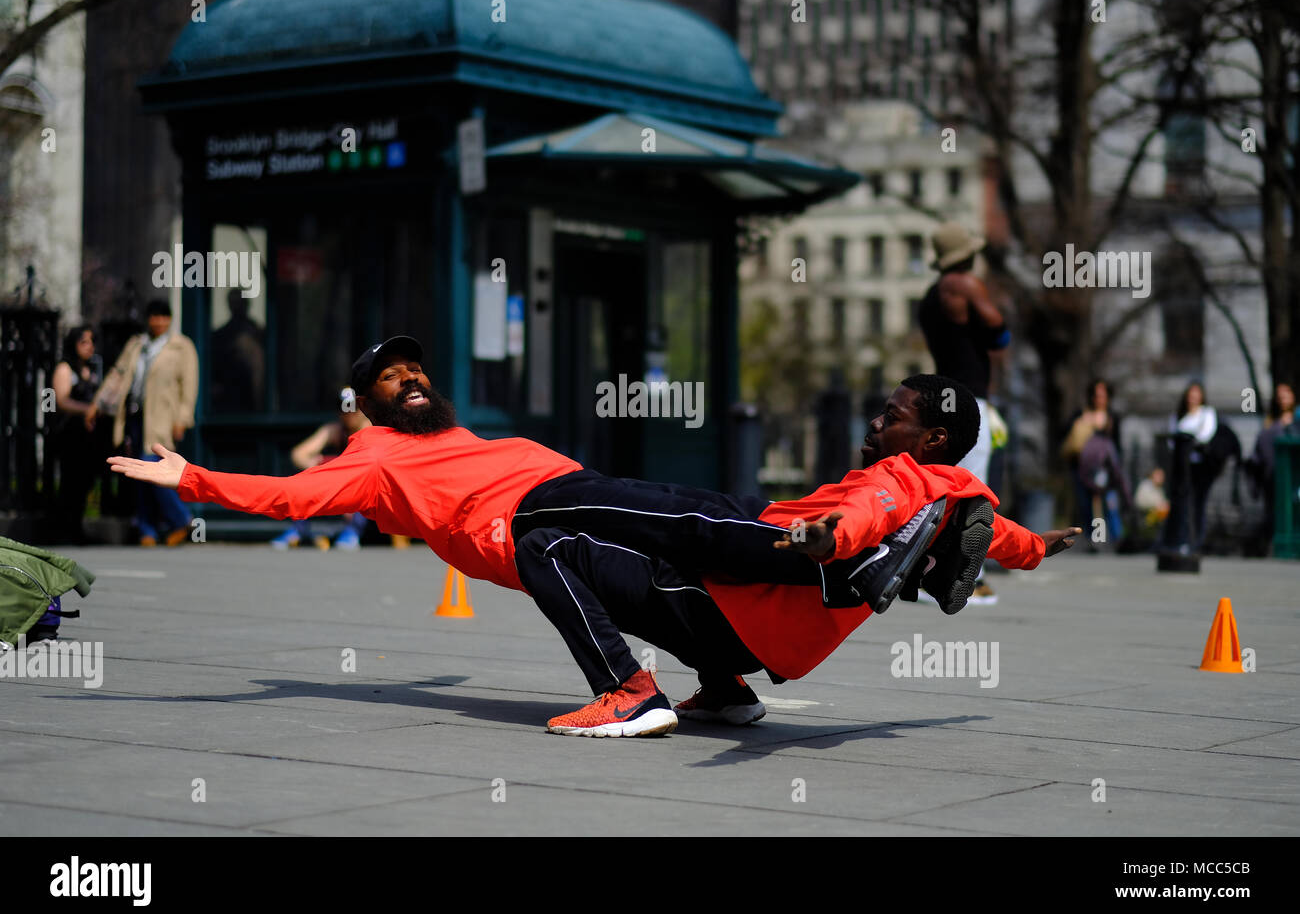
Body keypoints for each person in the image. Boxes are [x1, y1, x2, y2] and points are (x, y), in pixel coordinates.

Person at [107, 338, 1040, 734]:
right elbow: (284, 499)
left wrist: (1041, 547)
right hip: (546, 512)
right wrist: (188, 478)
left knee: (700, 527)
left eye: (417, 369)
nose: (413, 381)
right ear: (365, 408)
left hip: (568, 492)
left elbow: (976, 508)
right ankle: (816, 583)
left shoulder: (453, 431)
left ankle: (769, 628)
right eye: (392, 380)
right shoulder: (373, 459)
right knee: (680, 534)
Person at [513, 377, 1081, 737]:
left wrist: (830, 539)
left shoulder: (899, 477)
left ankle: (627, 694)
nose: (877, 422)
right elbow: (1000, 533)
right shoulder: (953, 499)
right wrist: (1036, 548)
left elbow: (867, 509)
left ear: (931, 438)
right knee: (664, 531)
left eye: (893, 415)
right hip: (763, 637)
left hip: (758, 568)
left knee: (553, 541)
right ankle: (725, 691)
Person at [918, 221, 1010, 604]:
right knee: (973, 489)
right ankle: (963, 577)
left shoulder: (928, 297)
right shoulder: (964, 285)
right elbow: (999, 330)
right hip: (970, 399)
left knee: (945, 487)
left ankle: (928, 571)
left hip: (945, 397)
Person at [89, 299, 198, 546]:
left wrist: (182, 418)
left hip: (162, 418)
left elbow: (189, 386)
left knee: (154, 466)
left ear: (169, 320)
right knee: (138, 474)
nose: (158, 322)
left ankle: (181, 519)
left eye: (163, 317)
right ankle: (147, 529)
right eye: (154, 316)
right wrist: (98, 403)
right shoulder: (137, 344)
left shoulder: (181, 347)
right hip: (135, 417)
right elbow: (117, 374)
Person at [271, 388, 373, 551]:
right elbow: (298, 454)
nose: (349, 413)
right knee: (307, 478)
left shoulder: (371, 429)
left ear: (362, 409)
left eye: (353, 408)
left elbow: (370, 466)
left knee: (365, 482)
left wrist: (333, 465)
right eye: (344, 408)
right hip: (340, 485)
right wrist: (320, 465)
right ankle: (299, 529)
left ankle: (353, 531)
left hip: (366, 492)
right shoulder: (334, 430)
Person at [48, 326, 107, 543]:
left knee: (84, 481)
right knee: (70, 481)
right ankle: (64, 529)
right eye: (84, 342)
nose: (89, 347)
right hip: (69, 434)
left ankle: (76, 526)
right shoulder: (65, 369)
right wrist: (87, 409)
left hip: (87, 435)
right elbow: (61, 401)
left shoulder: (91, 368)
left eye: (92, 342)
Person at [1061, 379, 1126, 548]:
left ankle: (1114, 538)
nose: (1099, 399)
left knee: (1109, 504)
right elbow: (1067, 435)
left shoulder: (1112, 417)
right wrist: (1083, 422)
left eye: (1103, 396)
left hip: (1105, 470)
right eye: (1097, 396)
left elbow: (1117, 446)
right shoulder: (1081, 414)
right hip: (1083, 468)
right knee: (1086, 504)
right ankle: (1093, 539)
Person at [1246, 382, 1297, 554]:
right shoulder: (1270, 426)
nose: (1283, 398)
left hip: (1294, 477)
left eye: (1286, 393)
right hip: (1273, 479)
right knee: (1273, 515)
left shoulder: (1297, 421)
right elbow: (1259, 454)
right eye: (1279, 395)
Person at [1170, 381, 1221, 547]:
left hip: (1199, 466)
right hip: (1181, 465)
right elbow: (1172, 441)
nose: (1192, 398)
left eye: (1196, 395)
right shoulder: (1178, 416)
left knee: (1198, 503)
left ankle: (1195, 540)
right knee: (1181, 502)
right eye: (1190, 395)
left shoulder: (1206, 413)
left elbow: (1205, 435)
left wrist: (1189, 440)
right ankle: (1180, 538)